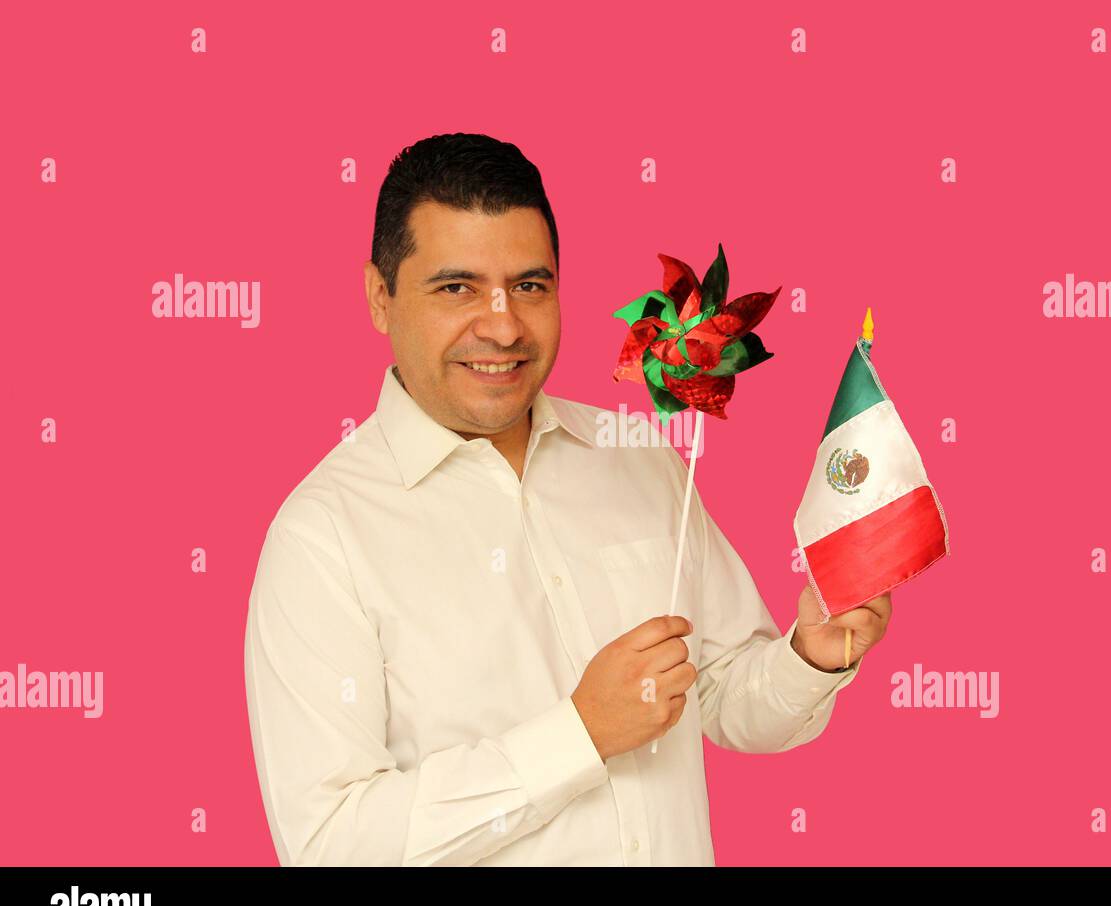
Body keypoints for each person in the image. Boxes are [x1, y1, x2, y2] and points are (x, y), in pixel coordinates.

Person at [243, 132, 892, 866]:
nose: (503, 323)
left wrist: (810, 656)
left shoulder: (639, 457)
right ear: (379, 297)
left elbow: (723, 699)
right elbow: (330, 845)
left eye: (530, 285)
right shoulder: (322, 538)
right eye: (456, 287)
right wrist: (579, 734)